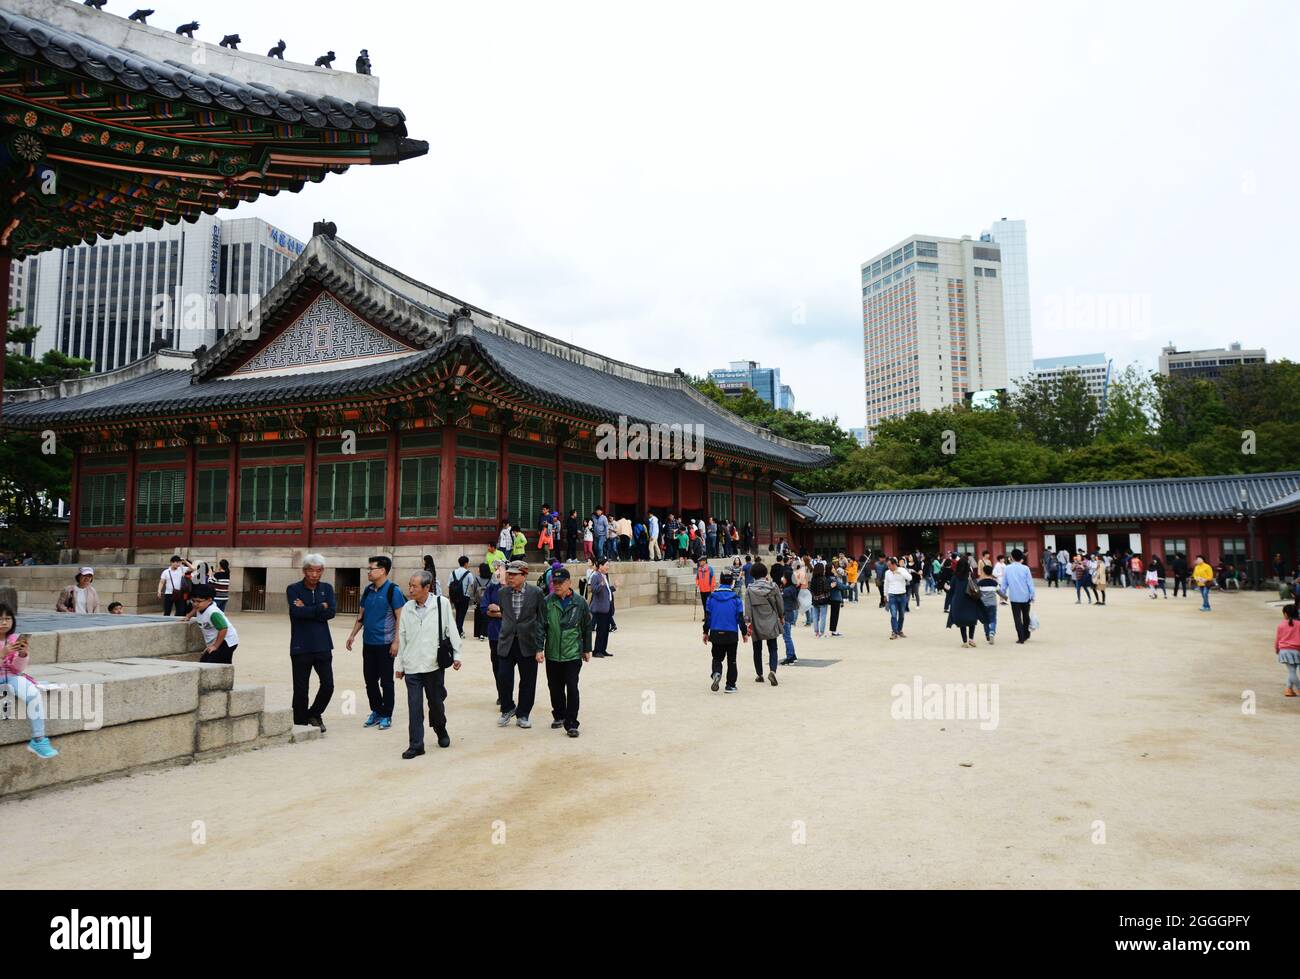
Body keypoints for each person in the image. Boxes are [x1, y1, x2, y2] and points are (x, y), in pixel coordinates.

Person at [395, 570, 462, 758]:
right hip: (412, 666)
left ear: (427, 587)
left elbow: (452, 629)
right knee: (414, 706)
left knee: (436, 704)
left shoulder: (442, 604)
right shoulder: (407, 607)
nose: (410, 589)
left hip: (433, 665)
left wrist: (457, 655)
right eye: (409, 585)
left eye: (414, 586)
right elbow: (403, 637)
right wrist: (399, 666)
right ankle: (416, 745)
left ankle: (441, 729)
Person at [345, 555, 405, 731]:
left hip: (386, 643)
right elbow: (361, 615)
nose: (369, 572)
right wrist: (352, 635)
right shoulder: (368, 590)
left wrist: (396, 641)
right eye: (368, 569)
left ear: (383, 571)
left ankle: (387, 714)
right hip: (368, 643)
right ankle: (376, 711)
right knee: (370, 680)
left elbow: (400, 618)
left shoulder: (393, 591)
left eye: (371, 569)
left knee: (386, 681)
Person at [537, 567, 592, 736]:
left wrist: (587, 648)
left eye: (561, 582)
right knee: (554, 687)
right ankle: (559, 715)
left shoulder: (579, 602)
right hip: (553, 652)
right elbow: (540, 627)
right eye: (555, 582)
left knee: (572, 687)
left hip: (572, 653)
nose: (557, 585)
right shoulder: (547, 602)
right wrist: (539, 648)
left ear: (569, 583)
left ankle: (572, 722)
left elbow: (587, 626)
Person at [0, 604, 59, 758]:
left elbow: (16, 670)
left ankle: (38, 740)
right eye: (0, 619)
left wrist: (23, 654)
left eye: (7, 619)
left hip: (11, 677)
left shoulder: (13, 639)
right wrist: (2, 654)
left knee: (33, 694)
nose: (4, 622)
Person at [287, 554, 335, 732]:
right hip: (301, 646)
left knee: (328, 685)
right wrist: (319, 607)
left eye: (318, 571)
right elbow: (296, 614)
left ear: (322, 571)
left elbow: (331, 612)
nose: (314, 575)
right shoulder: (293, 589)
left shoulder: (327, 589)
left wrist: (307, 608)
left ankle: (314, 713)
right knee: (301, 688)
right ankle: (300, 722)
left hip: (323, 644)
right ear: (304, 571)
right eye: (310, 570)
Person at [495, 560, 545, 729]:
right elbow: (504, 613)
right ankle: (507, 708)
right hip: (507, 641)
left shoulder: (536, 593)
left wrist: (540, 646)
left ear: (524, 575)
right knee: (503, 677)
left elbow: (541, 620)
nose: (510, 577)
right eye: (508, 574)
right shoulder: (502, 593)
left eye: (514, 574)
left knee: (528, 680)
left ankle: (523, 714)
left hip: (528, 641)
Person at [704, 572, 747, 693]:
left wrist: (705, 632)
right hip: (731, 633)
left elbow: (708, 617)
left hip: (716, 632)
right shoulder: (736, 598)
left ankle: (717, 672)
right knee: (731, 660)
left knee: (717, 658)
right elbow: (740, 618)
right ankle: (730, 685)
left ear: (720, 581)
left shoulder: (711, 597)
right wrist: (744, 633)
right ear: (732, 583)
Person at [745, 561, 783, 685]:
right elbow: (779, 604)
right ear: (765, 573)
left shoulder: (750, 589)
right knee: (773, 647)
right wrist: (781, 616)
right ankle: (772, 671)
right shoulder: (773, 586)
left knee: (757, 649)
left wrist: (747, 624)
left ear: (753, 574)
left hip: (756, 622)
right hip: (771, 620)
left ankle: (759, 674)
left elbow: (748, 609)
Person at [188, 583, 239, 663]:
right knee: (207, 662)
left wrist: (215, 646)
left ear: (209, 600)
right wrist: (188, 616)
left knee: (212, 663)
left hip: (227, 641)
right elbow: (195, 609)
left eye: (198, 601)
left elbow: (223, 628)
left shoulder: (212, 613)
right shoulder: (201, 607)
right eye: (193, 601)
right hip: (217, 641)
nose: (195, 604)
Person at [946, 556, 985, 648]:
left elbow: (951, 590)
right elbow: (976, 587)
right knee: (971, 619)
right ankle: (971, 639)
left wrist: (946, 589)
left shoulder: (955, 576)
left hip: (958, 600)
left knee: (962, 621)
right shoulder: (970, 575)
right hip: (970, 599)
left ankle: (965, 641)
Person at [999, 549, 1036, 644]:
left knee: (1017, 617)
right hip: (1025, 596)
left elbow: (1004, 584)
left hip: (1014, 597)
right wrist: (1033, 595)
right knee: (1026, 615)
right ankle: (1026, 634)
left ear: (1012, 557)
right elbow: (1030, 583)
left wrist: (1002, 595)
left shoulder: (1007, 568)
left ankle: (1021, 637)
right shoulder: (1025, 568)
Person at [587, 557, 614, 658]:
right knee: (600, 630)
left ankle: (603, 649)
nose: (608, 567)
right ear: (601, 566)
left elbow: (606, 590)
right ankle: (597, 650)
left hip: (607, 607)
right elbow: (593, 590)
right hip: (600, 608)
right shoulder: (596, 576)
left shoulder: (604, 575)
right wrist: (601, 585)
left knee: (606, 629)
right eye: (606, 565)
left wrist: (614, 586)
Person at [884, 557, 912, 639]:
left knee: (902, 615)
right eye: (887, 566)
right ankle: (894, 632)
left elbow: (910, 578)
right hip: (892, 595)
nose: (888, 567)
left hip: (902, 595)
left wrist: (899, 572)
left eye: (889, 565)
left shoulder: (902, 570)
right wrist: (885, 595)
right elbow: (886, 584)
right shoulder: (887, 572)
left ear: (894, 564)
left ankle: (899, 630)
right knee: (893, 614)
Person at [1276, 604, 1300, 697]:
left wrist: (1277, 649)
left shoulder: (1281, 625)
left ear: (1285, 614)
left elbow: (1278, 639)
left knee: (1291, 671)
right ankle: (1289, 689)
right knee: (1292, 670)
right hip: (1297, 650)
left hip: (1285, 650)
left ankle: (1298, 688)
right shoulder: (1299, 624)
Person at [447, 556, 474, 638]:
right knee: (462, 614)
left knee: (458, 613)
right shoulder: (468, 573)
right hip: (465, 596)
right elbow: (472, 585)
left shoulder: (453, 573)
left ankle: (460, 630)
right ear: (466, 563)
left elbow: (449, 585)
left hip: (455, 596)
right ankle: (458, 631)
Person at [779, 568, 799, 665]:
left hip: (786, 614)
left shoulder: (787, 590)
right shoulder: (792, 588)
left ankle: (790, 656)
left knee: (786, 637)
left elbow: (779, 598)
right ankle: (793, 655)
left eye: (784, 577)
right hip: (789, 613)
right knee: (788, 636)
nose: (782, 578)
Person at [809, 562, 832, 639]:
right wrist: (831, 586)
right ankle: (822, 632)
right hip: (823, 600)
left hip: (815, 599)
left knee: (815, 616)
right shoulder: (823, 578)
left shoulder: (813, 579)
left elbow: (811, 589)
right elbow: (826, 589)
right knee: (823, 616)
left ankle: (816, 632)